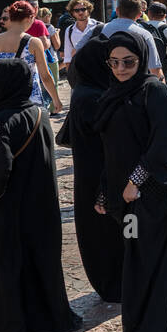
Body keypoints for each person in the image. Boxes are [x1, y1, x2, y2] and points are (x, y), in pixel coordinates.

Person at [0, 59, 81, 332]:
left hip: (9, 212)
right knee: (38, 264)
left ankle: (13, 324)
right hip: (40, 207)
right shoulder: (38, 113)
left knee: (7, 266)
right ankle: (46, 319)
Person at [93, 30, 167, 332]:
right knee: (138, 260)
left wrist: (135, 181)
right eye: (114, 62)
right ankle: (159, 326)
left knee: (148, 263)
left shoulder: (155, 91)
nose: (121, 68)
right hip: (128, 200)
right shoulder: (114, 93)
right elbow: (110, 150)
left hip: (154, 196)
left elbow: (161, 144)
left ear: (141, 59)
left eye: (128, 61)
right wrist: (106, 190)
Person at [56, 35, 122, 301]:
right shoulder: (93, 97)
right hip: (100, 179)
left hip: (90, 176)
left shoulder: (85, 92)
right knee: (106, 234)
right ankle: (114, 284)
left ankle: (112, 283)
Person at [0, 0, 62, 112]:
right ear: (28, 18)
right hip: (30, 100)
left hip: (3, 100)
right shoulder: (33, 42)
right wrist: (56, 99)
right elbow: (45, 76)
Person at [101, 0, 163, 78]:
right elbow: (155, 69)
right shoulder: (144, 34)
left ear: (117, 11)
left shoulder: (100, 30)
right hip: (135, 87)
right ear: (139, 14)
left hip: (104, 85)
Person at [62, 0, 101, 69]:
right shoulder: (69, 30)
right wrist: (70, 75)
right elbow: (68, 55)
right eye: (76, 10)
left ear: (88, 10)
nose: (80, 12)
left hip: (98, 67)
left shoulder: (98, 26)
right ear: (72, 13)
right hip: (79, 69)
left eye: (83, 9)